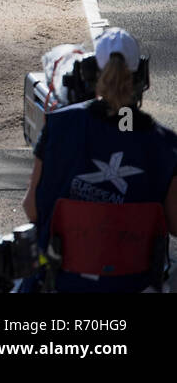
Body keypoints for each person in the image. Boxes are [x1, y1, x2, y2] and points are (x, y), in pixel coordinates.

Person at [19, 27, 177, 292]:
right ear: (142, 77)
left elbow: (32, 209)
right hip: (135, 286)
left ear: (90, 72)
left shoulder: (60, 125)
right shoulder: (165, 144)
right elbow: (175, 223)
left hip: (62, 283)